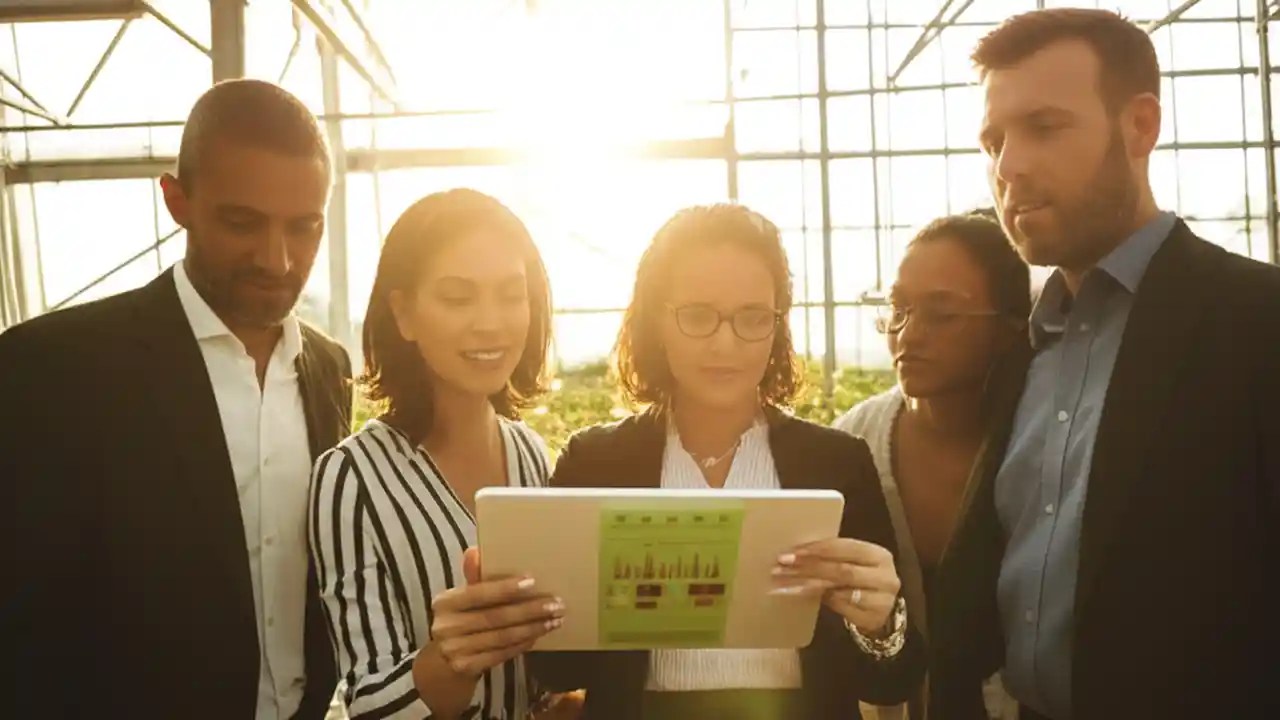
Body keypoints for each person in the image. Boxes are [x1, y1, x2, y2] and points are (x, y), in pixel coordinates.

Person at [929, 9, 1280, 720]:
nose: (1009, 166)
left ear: (1140, 127)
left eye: (1044, 128)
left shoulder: (1256, 323)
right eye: (993, 141)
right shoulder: (1021, 347)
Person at [0, 79, 349, 718]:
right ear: (177, 199)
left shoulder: (329, 369)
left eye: (304, 228)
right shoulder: (51, 369)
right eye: (243, 223)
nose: (278, 259)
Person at [519, 204, 925, 719]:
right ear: (656, 320)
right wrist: (545, 612)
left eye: (753, 318)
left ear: (778, 324)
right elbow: (558, 672)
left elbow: (894, 680)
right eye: (697, 315)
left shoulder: (835, 463)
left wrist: (881, 623)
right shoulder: (595, 462)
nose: (725, 343)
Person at [308, 189, 564, 719]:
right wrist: (451, 658)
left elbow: (546, 682)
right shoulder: (351, 476)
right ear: (403, 314)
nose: (490, 322)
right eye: (457, 297)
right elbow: (368, 701)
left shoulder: (533, 456)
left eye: (511, 295)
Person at [834, 213, 1029, 720]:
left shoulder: (1042, 443)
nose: (909, 333)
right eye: (898, 307)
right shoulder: (852, 443)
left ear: (1010, 330)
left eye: (942, 314)